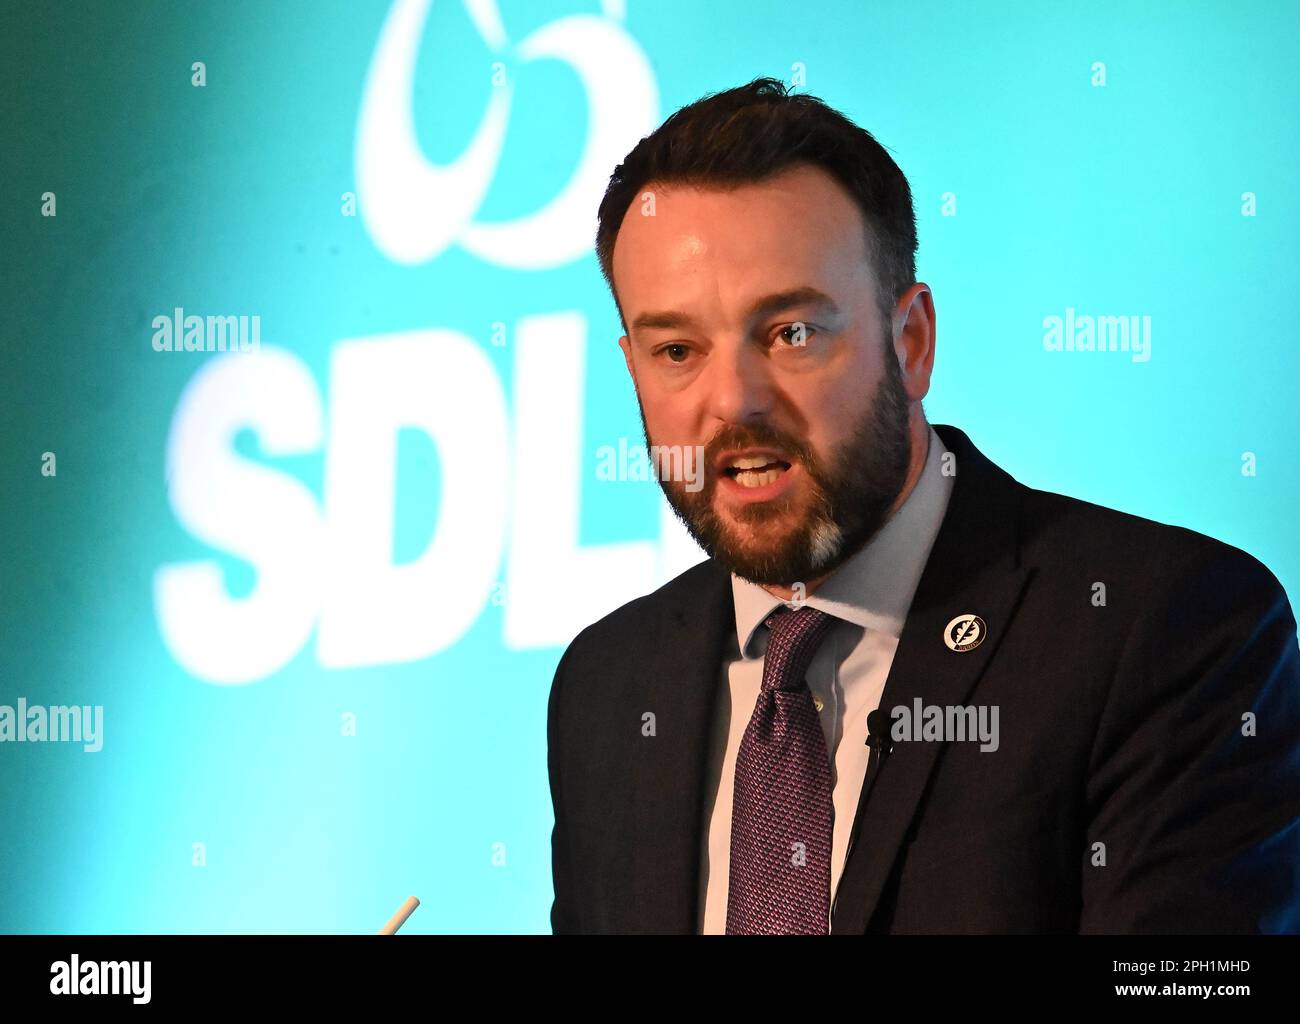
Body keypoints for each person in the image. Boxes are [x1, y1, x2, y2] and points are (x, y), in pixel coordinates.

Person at [547, 77, 1300, 934]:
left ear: (910, 342)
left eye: (791, 332)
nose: (734, 402)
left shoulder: (1168, 629)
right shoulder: (606, 688)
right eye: (677, 348)